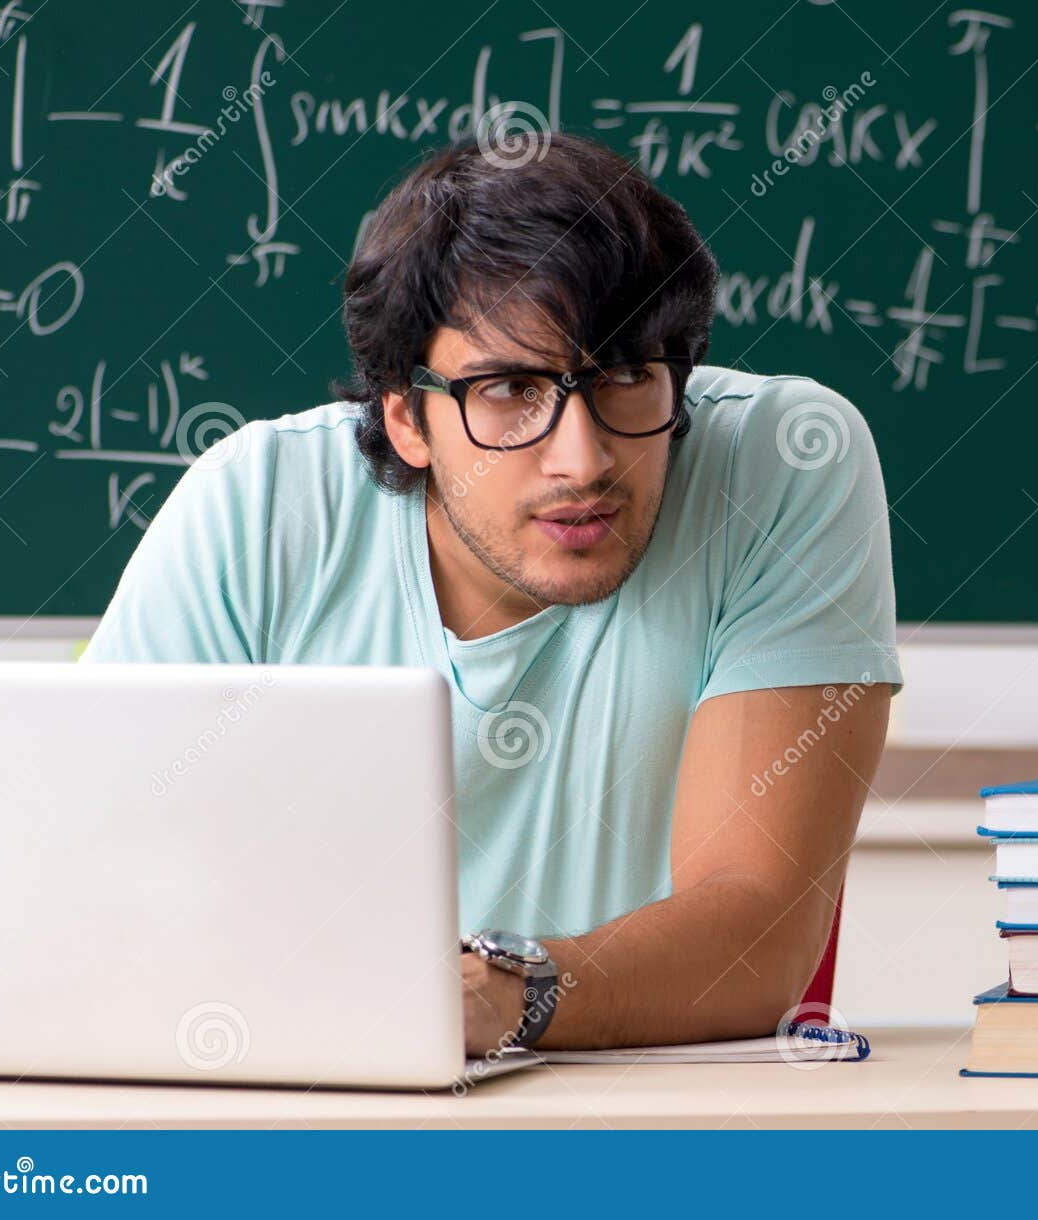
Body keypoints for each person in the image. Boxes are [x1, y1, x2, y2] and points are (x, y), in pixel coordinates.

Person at [85, 132, 901, 1055]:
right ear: (406, 417)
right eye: (510, 388)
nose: (584, 460)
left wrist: (499, 996)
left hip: (659, 1119)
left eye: (629, 375)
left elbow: (757, 932)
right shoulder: (257, 504)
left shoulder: (782, 461)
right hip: (300, 1088)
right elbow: (93, 873)